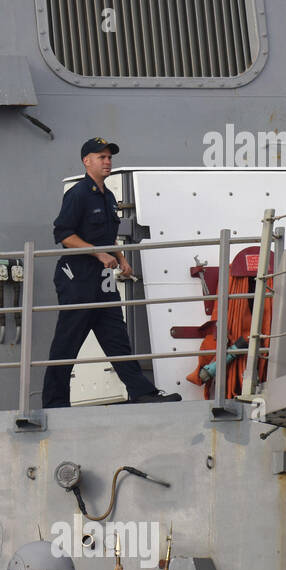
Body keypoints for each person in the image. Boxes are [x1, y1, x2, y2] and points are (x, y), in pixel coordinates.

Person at [41, 137, 182, 409]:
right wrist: (98, 253)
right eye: (101, 157)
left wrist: (120, 256)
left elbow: (106, 235)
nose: (107, 162)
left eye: (109, 157)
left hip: (102, 281)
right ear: (87, 161)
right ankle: (54, 403)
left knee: (117, 339)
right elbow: (64, 234)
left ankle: (142, 393)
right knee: (67, 342)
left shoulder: (107, 197)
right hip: (78, 279)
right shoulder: (79, 194)